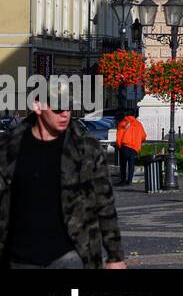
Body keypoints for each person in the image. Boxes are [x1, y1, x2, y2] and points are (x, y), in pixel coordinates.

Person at [0, 93, 126, 268]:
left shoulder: (86, 148)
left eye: (69, 108)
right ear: (38, 107)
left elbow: (104, 203)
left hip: (72, 254)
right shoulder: (8, 147)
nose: (65, 114)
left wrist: (115, 256)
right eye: (58, 109)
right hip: (18, 257)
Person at [114, 108, 146, 187]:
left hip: (125, 146)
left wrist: (119, 145)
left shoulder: (123, 123)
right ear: (134, 115)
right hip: (134, 148)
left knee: (123, 164)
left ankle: (123, 180)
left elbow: (119, 136)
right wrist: (137, 141)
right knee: (131, 164)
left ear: (126, 115)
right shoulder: (139, 124)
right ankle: (129, 181)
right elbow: (143, 136)